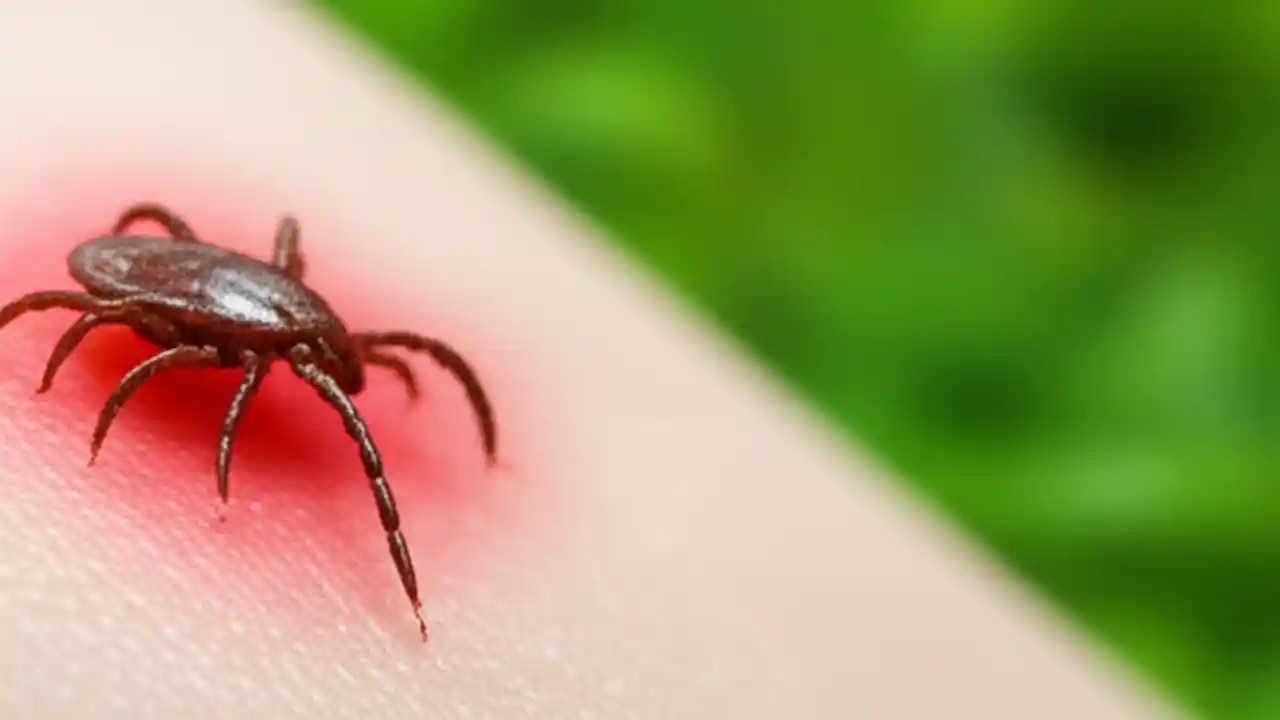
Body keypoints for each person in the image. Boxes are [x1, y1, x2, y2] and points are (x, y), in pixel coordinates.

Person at [0, 2, 1173, 717]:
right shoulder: (268, 340)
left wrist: (349, 353)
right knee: (126, 344)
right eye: (342, 360)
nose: (352, 374)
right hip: (157, 287)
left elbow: (313, 338)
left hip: (183, 276)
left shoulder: (296, 323)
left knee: (164, 325)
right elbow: (219, 357)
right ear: (303, 332)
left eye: (339, 355)